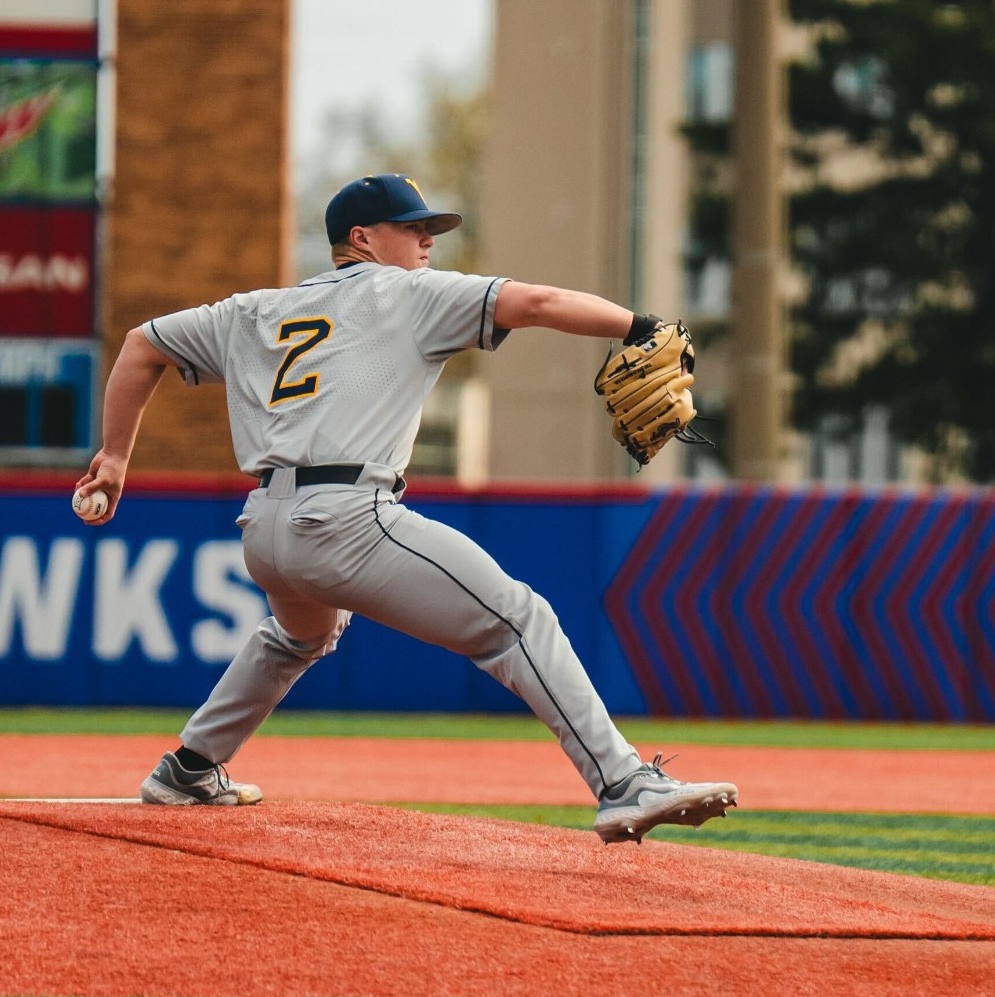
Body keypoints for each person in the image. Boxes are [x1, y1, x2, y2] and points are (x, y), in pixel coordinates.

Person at [76, 173, 737, 843]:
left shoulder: (255, 309)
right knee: (516, 619)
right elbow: (535, 300)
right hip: (346, 518)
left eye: (430, 229)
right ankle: (623, 783)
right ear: (361, 239)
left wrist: (112, 458)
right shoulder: (409, 293)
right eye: (412, 227)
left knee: (299, 636)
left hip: (265, 528)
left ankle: (187, 769)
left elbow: (140, 344)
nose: (427, 239)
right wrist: (640, 325)